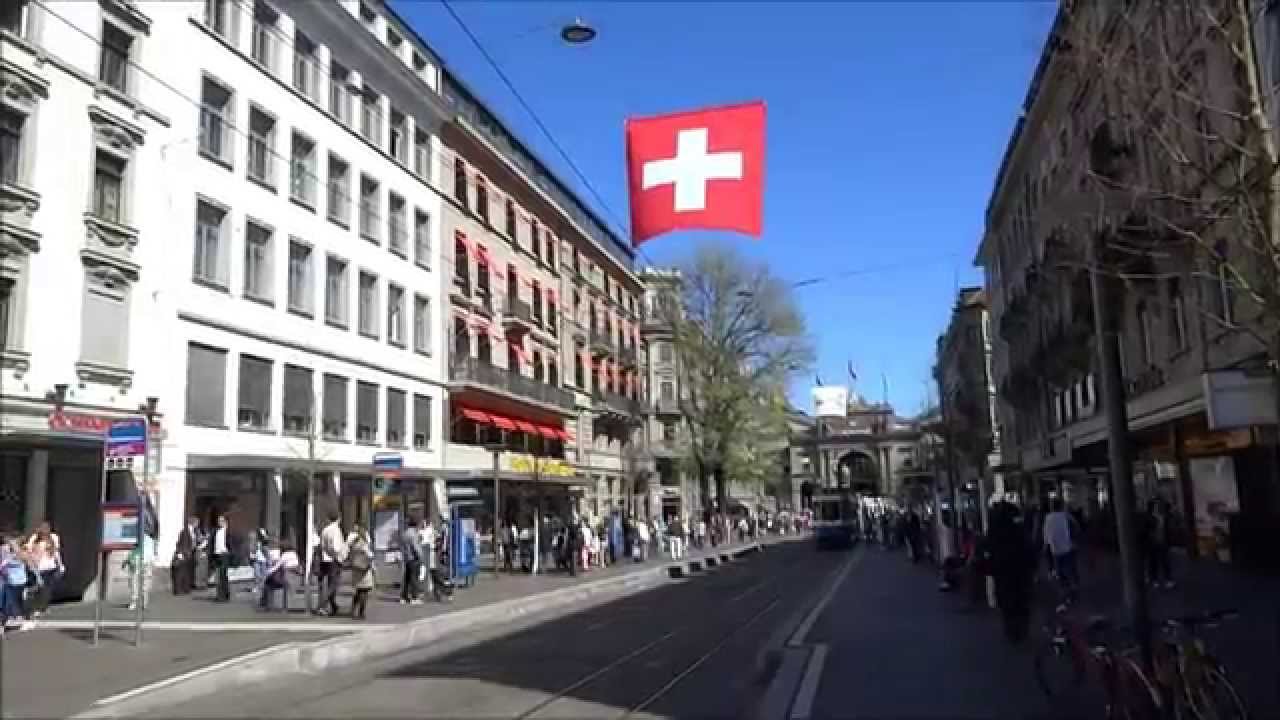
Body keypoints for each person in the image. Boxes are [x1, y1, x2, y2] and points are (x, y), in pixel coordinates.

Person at [981, 501, 1037, 644]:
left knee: (1007, 602)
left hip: (1002, 572)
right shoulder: (1018, 530)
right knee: (1022, 600)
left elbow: (988, 550)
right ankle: (1021, 629)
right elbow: (1028, 548)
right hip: (1020, 571)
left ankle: (1012, 629)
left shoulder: (994, 531)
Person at [1042, 498, 1081, 606]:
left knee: (1060, 571)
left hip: (1055, 549)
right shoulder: (1066, 515)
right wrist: (1075, 540)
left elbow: (1046, 534)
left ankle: (1065, 591)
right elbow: (1076, 526)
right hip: (1068, 547)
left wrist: (1046, 546)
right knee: (1070, 568)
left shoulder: (1048, 518)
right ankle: (1073, 587)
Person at [24, 522, 63, 617]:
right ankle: (35, 606)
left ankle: (43, 607)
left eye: (47, 528)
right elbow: (28, 551)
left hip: (51, 567)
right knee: (40, 587)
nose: (46, 530)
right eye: (44, 529)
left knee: (48, 589)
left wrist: (60, 565)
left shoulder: (54, 537)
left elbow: (56, 553)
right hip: (39, 568)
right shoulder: (34, 538)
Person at [1, 537, 34, 633]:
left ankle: (27, 621)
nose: (10, 545)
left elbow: (29, 563)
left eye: (13, 543)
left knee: (19, 603)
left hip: (20, 582)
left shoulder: (21, 554)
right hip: (9, 582)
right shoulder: (6, 553)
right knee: (7, 604)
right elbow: (3, 567)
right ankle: (2, 624)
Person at [316, 511, 347, 616]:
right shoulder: (335, 530)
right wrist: (340, 554)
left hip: (324, 559)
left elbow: (321, 544)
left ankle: (333, 606)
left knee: (328, 584)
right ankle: (322, 606)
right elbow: (336, 547)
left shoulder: (325, 530)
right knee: (333, 584)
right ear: (338, 519)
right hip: (334, 559)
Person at [1143, 497, 1175, 589]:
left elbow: (1168, 530)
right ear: (1152, 507)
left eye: (1159, 505)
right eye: (1156, 506)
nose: (1158, 507)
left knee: (1165, 562)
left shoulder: (1165, 516)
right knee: (1153, 562)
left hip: (1163, 542)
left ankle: (1168, 579)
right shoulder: (1149, 517)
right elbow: (1146, 530)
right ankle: (1154, 579)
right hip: (1152, 543)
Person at [172, 515, 204, 595]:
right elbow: (180, 543)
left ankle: (186, 588)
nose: (198, 524)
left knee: (187, 572)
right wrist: (180, 553)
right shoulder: (185, 531)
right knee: (180, 572)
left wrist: (201, 542)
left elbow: (194, 542)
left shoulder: (193, 531)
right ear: (193, 522)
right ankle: (178, 590)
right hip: (184, 553)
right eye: (197, 523)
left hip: (191, 554)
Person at [347, 528, 375, 620]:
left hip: (356, 569)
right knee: (364, 590)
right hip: (364, 570)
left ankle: (353, 610)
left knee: (358, 590)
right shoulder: (363, 545)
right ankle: (361, 612)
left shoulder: (353, 544)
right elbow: (370, 556)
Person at [400, 516, 422, 605]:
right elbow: (415, 547)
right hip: (414, 558)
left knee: (407, 578)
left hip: (407, 558)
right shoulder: (413, 534)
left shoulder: (405, 534)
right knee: (414, 578)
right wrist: (421, 556)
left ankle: (403, 597)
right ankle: (414, 597)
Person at [211, 514, 232, 602]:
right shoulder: (216, 531)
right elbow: (212, 542)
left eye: (221, 521)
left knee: (223, 576)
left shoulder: (228, 531)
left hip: (224, 555)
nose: (219, 522)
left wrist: (230, 551)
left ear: (225, 522)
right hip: (217, 555)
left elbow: (233, 542)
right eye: (219, 521)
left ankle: (223, 595)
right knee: (218, 576)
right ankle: (220, 594)